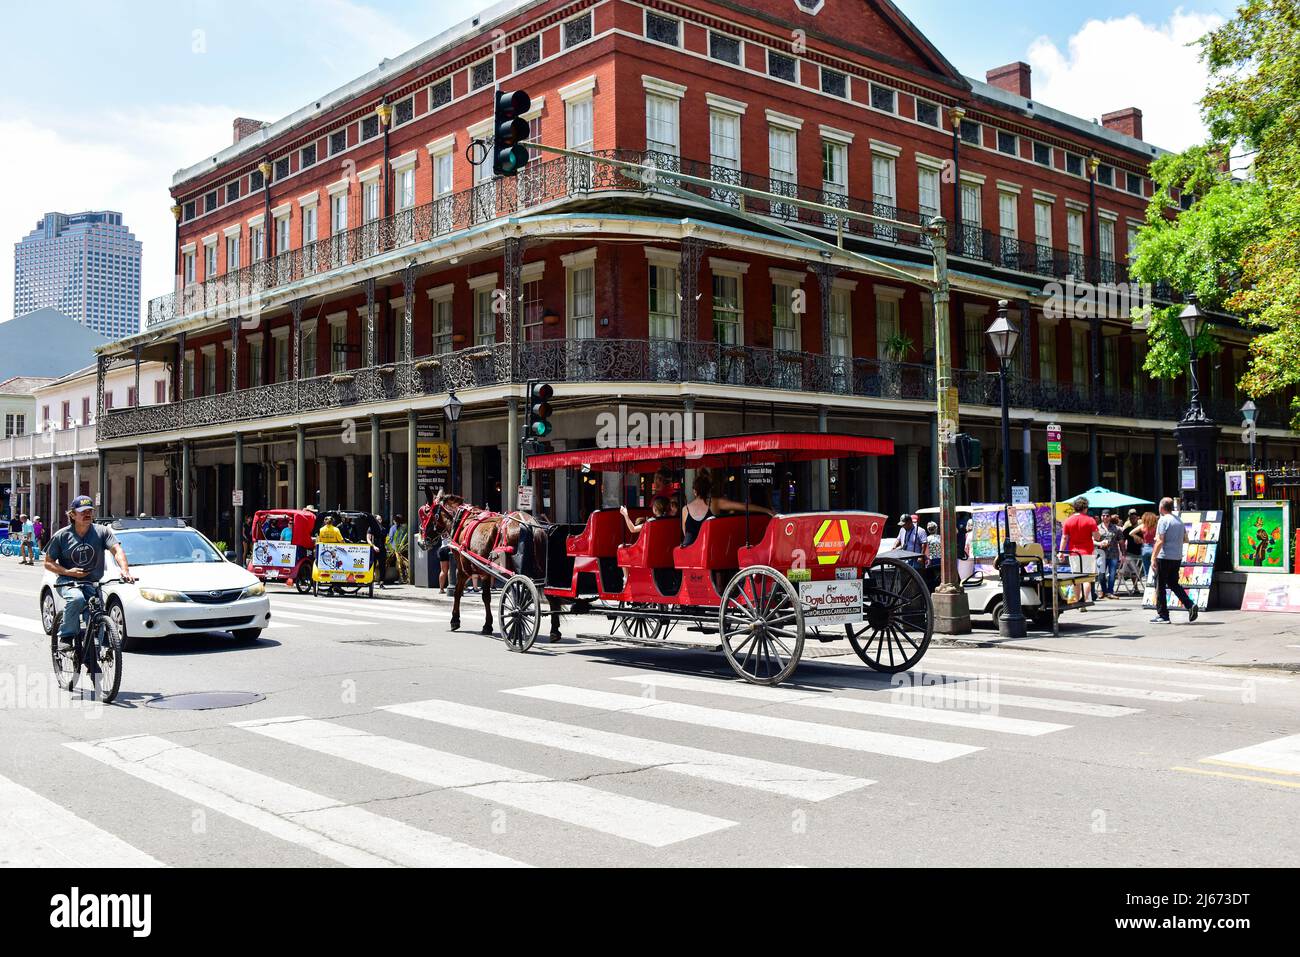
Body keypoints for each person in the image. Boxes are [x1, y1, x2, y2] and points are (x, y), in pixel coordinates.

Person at [43, 496, 134, 649]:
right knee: (77, 599)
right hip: (68, 582)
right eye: (82, 511)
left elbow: (117, 550)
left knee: (97, 615)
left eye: (90, 511)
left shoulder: (102, 532)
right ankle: (66, 636)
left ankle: (93, 654)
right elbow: (48, 563)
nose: (87, 514)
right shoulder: (62, 535)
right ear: (72, 515)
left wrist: (125, 571)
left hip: (91, 583)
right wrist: (68, 572)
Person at [679, 469, 772, 549]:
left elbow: (685, 533)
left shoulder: (685, 509)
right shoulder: (715, 503)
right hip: (711, 551)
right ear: (709, 490)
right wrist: (767, 510)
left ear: (694, 491)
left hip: (690, 554)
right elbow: (744, 506)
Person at [1151, 497, 1197, 624]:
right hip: (1176, 557)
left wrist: (1153, 557)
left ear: (1161, 507)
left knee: (1160, 585)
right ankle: (1189, 605)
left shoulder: (1163, 520)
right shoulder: (1179, 521)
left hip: (1164, 556)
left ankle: (1163, 615)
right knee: (1173, 583)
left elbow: (1160, 540)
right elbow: (1186, 539)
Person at [388, 514, 409, 585]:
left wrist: (390, 547)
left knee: (398, 565)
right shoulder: (404, 528)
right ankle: (402, 578)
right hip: (401, 549)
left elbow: (390, 539)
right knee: (403, 565)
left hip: (396, 550)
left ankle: (401, 578)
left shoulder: (393, 528)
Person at [1139, 511, 1158, 578]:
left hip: (1145, 548)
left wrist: (1139, 538)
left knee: (1146, 570)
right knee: (1155, 569)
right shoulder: (1156, 527)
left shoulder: (1143, 526)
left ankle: (1148, 582)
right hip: (1154, 548)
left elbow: (1131, 533)